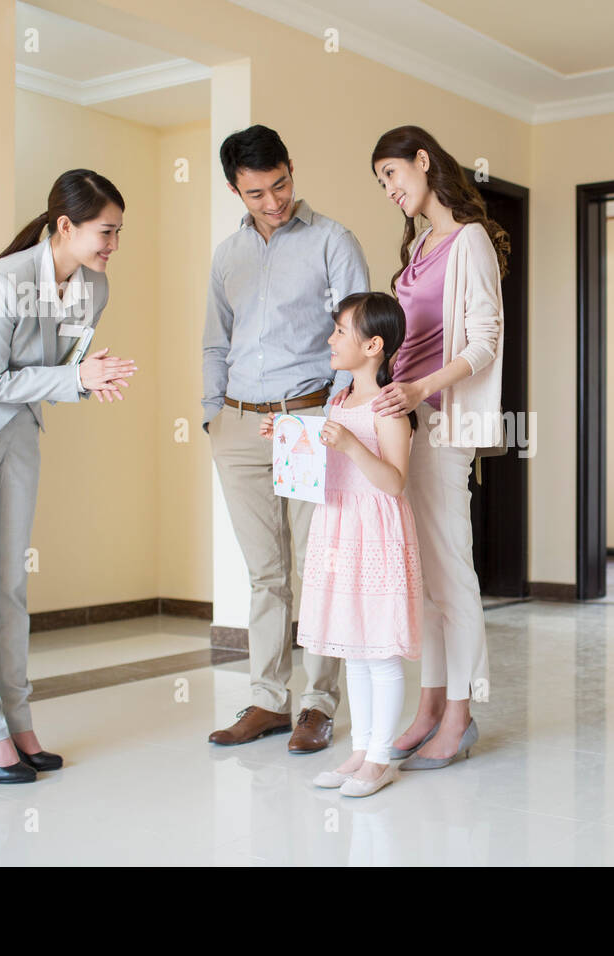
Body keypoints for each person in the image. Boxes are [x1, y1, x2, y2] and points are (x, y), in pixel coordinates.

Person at [0, 169, 136, 784]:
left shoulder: (95, 287)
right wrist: (77, 379)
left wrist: (89, 378)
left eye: (119, 232)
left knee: (10, 583)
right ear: (65, 226)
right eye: (105, 232)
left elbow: (60, 370)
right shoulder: (5, 282)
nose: (113, 245)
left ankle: (16, 719)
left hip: (16, 428)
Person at [204, 125, 371, 753]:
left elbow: (359, 337)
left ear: (292, 171)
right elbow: (214, 339)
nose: (272, 202)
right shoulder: (227, 255)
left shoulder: (332, 241)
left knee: (317, 567)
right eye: (256, 193)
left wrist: (333, 417)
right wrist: (210, 416)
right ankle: (267, 701)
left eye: (280, 185)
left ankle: (318, 705)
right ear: (234, 189)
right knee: (264, 573)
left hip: (306, 419)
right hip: (239, 423)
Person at [355, 125, 508, 769]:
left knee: (453, 578)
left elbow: (483, 343)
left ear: (424, 161)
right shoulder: (420, 247)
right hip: (407, 429)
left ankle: (461, 717)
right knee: (424, 583)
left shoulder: (469, 242)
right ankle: (429, 707)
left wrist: (420, 389)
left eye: (392, 173)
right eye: (381, 181)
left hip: (443, 427)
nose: (389, 189)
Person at [261, 292, 423, 797]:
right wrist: (288, 437)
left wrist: (352, 444)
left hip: (374, 532)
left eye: (340, 332)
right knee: (354, 648)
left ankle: (381, 757)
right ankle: (361, 752)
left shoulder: (389, 406)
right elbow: (323, 464)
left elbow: (394, 482)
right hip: (339, 528)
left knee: (380, 650)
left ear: (373, 345)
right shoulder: (338, 400)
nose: (330, 339)